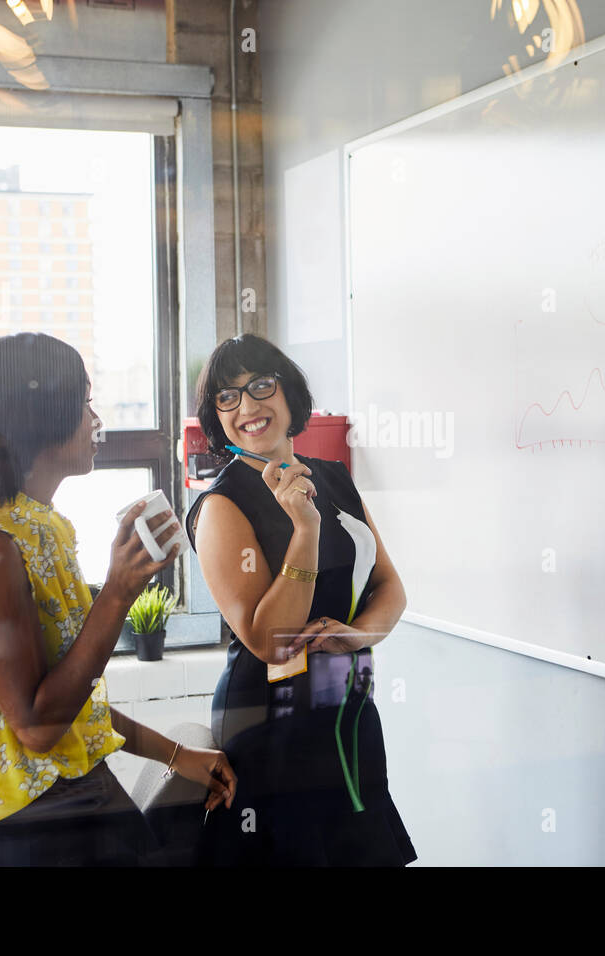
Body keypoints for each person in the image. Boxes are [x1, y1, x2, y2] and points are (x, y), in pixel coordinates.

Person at [0, 332, 236, 866]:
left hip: (77, 811)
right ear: (39, 418)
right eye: (84, 402)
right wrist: (118, 591)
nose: (95, 420)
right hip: (28, 836)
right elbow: (37, 726)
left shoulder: (41, 531)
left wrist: (177, 755)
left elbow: (74, 705)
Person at [185, 333, 416, 866]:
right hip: (271, 720)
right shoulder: (221, 506)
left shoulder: (333, 476)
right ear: (217, 416)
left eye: (260, 385)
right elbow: (270, 641)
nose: (246, 406)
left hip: (349, 709)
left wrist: (356, 634)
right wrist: (304, 532)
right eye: (227, 396)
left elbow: (389, 587)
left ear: (288, 392)